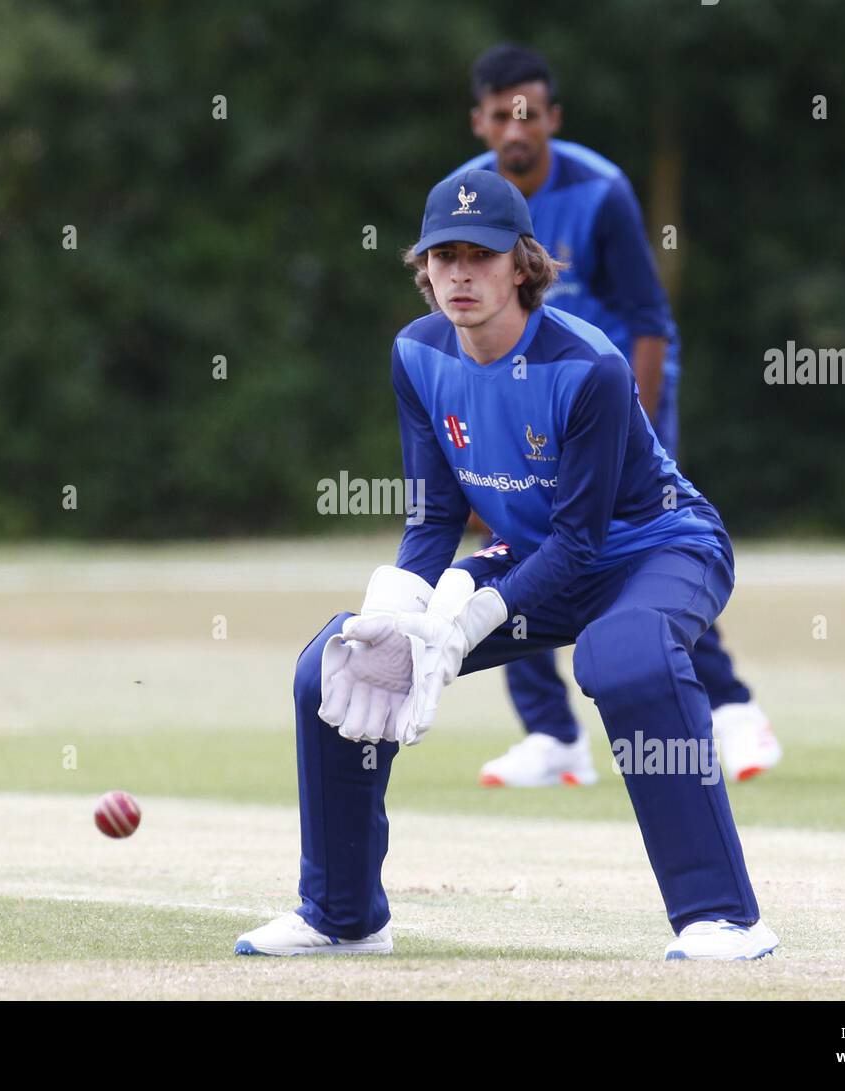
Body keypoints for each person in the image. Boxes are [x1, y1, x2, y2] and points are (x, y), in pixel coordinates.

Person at [235, 169, 779, 961]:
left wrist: (460, 631)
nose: (459, 272)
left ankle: (724, 918)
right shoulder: (417, 354)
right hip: (541, 554)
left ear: (522, 265)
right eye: (442, 255)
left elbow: (581, 543)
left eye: (480, 255)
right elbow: (432, 521)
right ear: (422, 268)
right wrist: (395, 615)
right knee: (335, 666)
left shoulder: (587, 364)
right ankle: (342, 914)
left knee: (622, 656)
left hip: (659, 547)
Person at [450, 44, 780, 788]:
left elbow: (648, 319)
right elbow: (451, 327)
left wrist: (642, 437)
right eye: (501, 114)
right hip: (516, 406)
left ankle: (731, 707)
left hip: (613, 397)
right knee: (515, 550)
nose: (516, 127)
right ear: (479, 122)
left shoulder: (602, 190)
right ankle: (551, 735)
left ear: (553, 118)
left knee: (646, 550)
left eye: (529, 112)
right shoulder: (460, 199)